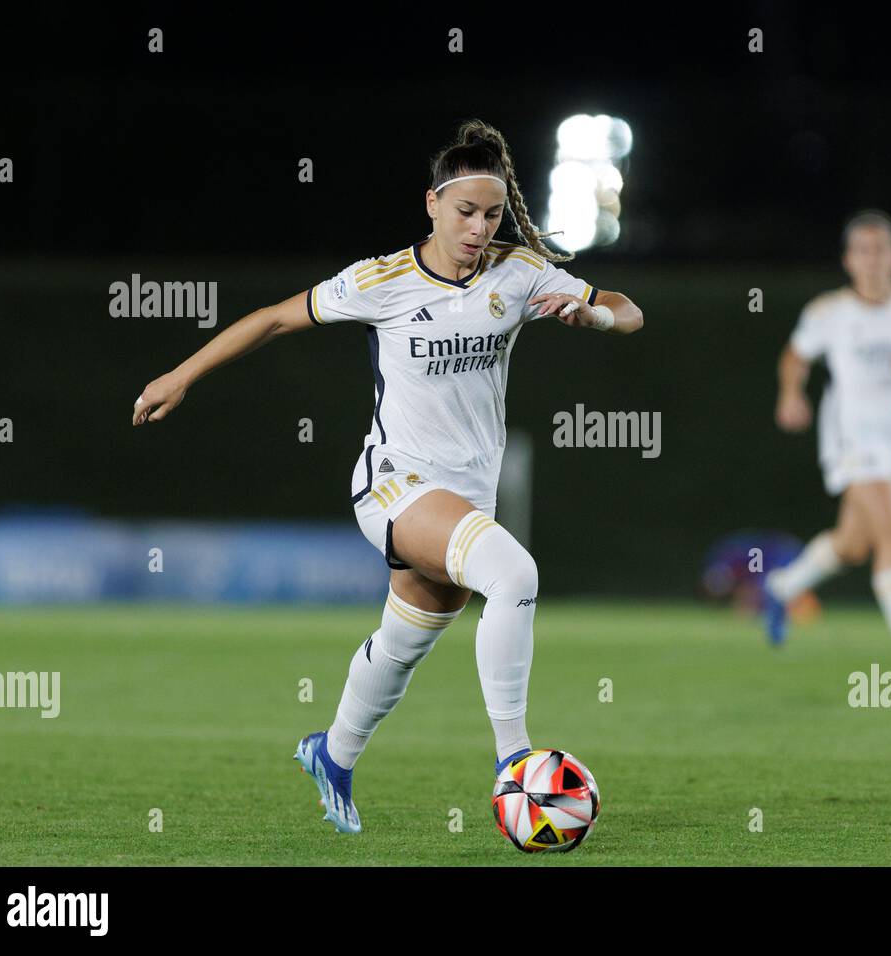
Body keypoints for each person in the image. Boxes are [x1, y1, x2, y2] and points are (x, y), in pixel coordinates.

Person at [131, 119, 644, 833]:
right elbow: (277, 319)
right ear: (431, 203)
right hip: (394, 485)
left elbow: (630, 311)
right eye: (465, 211)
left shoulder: (519, 271)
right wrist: (180, 375)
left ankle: (332, 754)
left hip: (465, 495)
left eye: (491, 213)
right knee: (515, 576)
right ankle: (515, 764)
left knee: (405, 642)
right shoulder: (384, 280)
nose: (478, 227)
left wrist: (593, 315)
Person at [763, 210, 891, 674]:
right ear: (849, 260)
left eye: (881, 250)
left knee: (853, 546)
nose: (873, 260)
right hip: (851, 437)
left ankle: (780, 589)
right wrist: (791, 394)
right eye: (863, 251)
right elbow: (795, 357)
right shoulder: (829, 312)